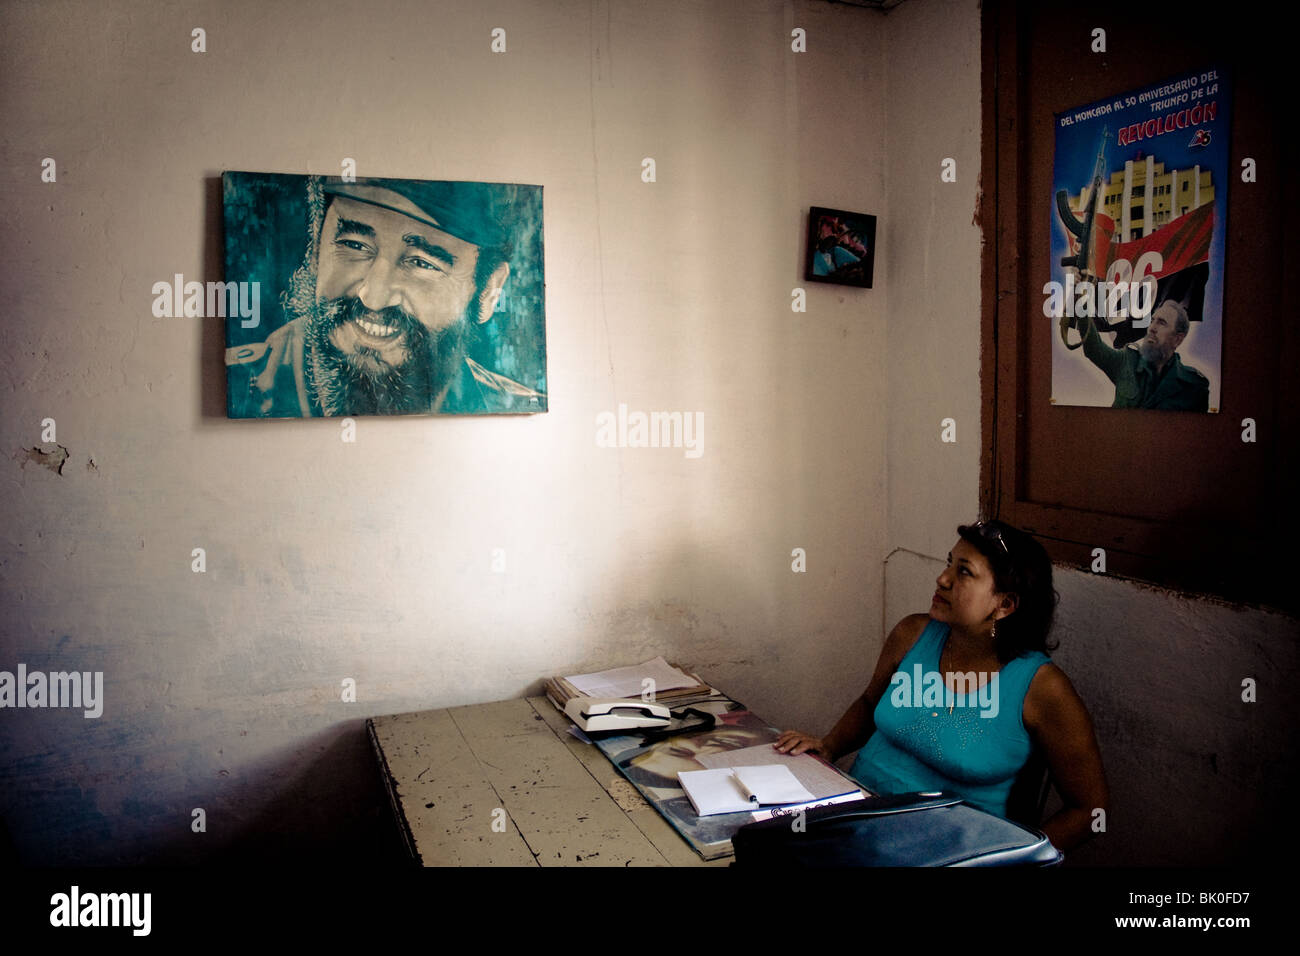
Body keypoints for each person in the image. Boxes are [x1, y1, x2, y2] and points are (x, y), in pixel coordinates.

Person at [775, 520, 1108, 853]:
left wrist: (1016, 860)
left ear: (1005, 604)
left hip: (942, 853)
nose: (943, 578)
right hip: (854, 821)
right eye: (949, 562)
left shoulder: (1042, 688)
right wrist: (829, 745)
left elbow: (1090, 810)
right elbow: (868, 703)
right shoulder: (913, 634)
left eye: (964, 572)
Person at [230, 177, 544, 417]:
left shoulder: (513, 408)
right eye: (354, 245)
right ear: (315, 253)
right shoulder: (242, 390)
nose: (373, 297)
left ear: (488, 291)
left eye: (422, 263)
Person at [1081, 297, 1209, 411]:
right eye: (1152, 320)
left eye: (1161, 323)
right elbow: (1094, 349)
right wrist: (1081, 301)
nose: (1152, 328)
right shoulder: (1127, 360)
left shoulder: (1195, 386)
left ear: (1177, 339)